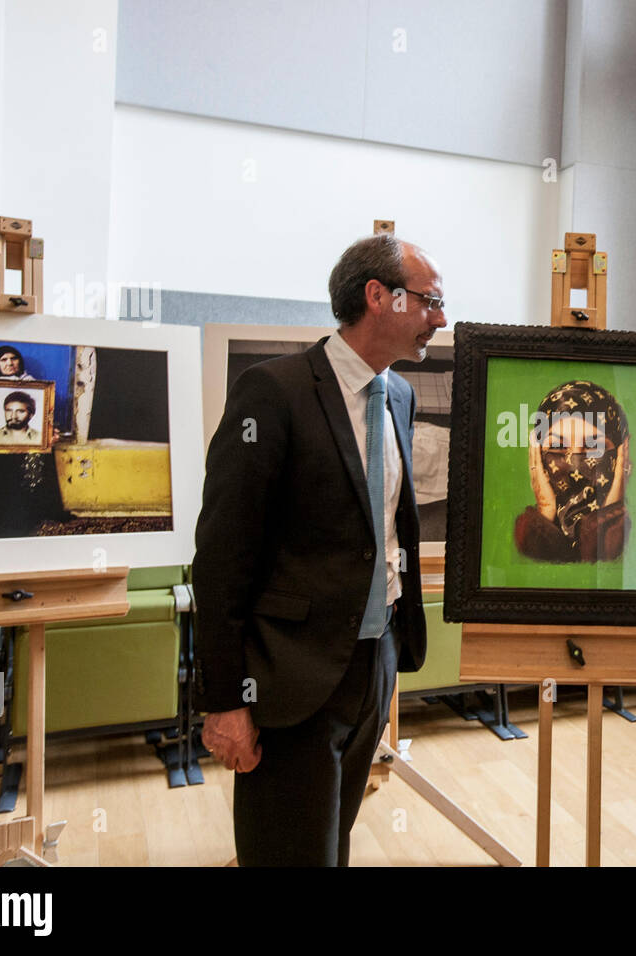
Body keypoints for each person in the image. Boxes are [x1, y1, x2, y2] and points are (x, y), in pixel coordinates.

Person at [193, 233, 445, 866]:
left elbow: (383, 530)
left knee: (332, 845)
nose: (440, 319)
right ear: (378, 296)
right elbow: (222, 557)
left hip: (374, 660)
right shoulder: (273, 393)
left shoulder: (401, 397)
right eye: (429, 301)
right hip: (290, 673)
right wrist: (225, 699)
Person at [514, 380, 630, 562]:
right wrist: (544, 517)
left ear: (621, 454)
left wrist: (611, 518)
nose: (575, 465)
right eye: (558, 446)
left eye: (594, 445)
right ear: (537, 456)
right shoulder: (522, 544)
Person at [0, 350, 67, 539]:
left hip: (28, 448)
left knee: (34, 462)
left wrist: (49, 436)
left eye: (13, 358)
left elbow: (46, 420)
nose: (9, 363)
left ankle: (28, 508)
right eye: (3, 359)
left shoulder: (36, 387)